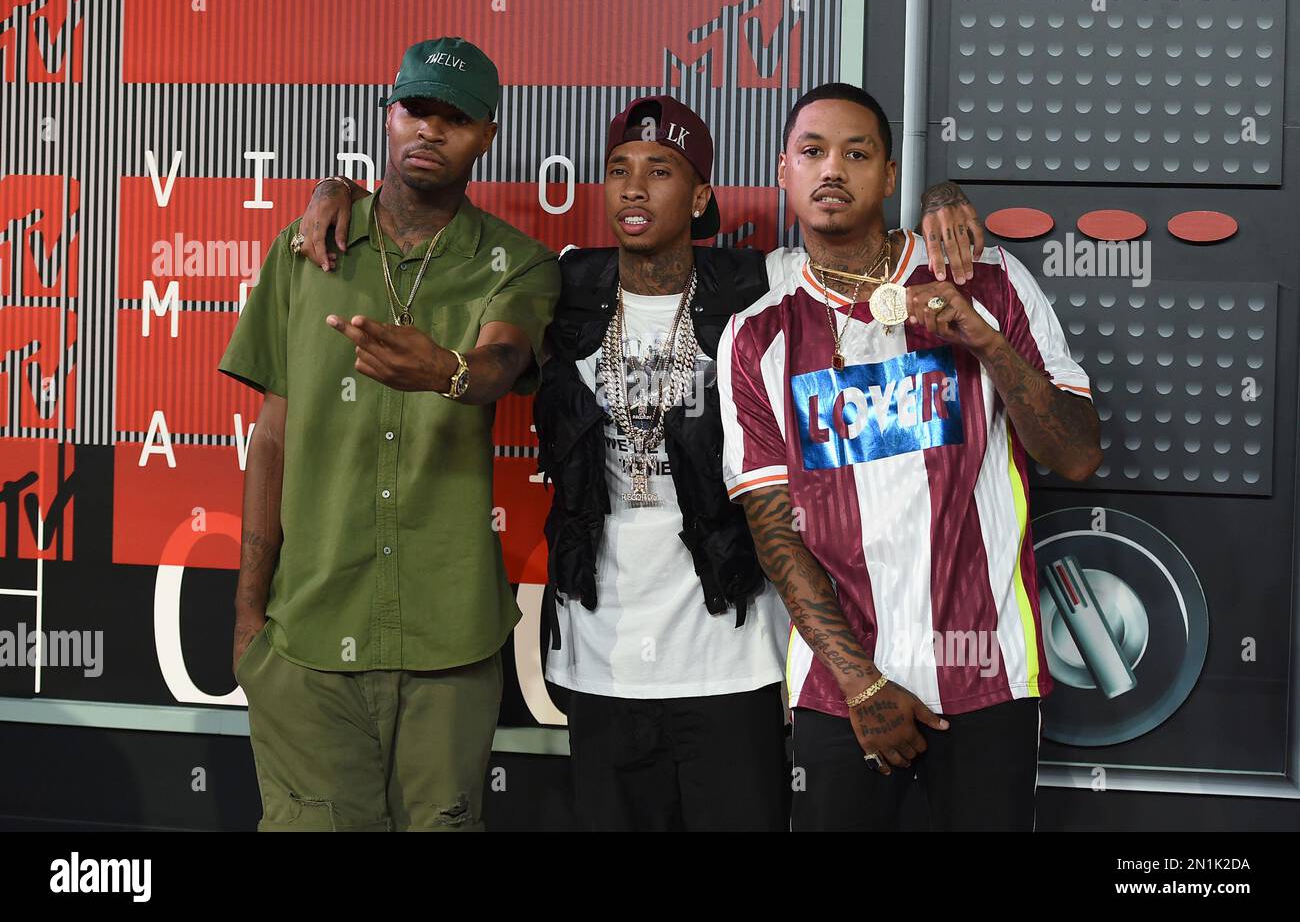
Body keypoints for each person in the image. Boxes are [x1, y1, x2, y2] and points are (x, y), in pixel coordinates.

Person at [296, 92, 985, 832]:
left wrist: (941, 198)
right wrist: (345, 193)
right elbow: (439, 238)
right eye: (619, 168)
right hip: (601, 659)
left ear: (699, 197)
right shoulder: (563, 282)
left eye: (659, 170)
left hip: (735, 658)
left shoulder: (763, 282)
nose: (632, 186)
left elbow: (858, 246)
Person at [719, 82, 1102, 831]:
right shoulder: (758, 333)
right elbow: (773, 530)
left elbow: (1078, 455)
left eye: (857, 153)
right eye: (813, 151)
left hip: (987, 676)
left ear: (889, 176)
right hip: (842, 691)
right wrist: (862, 685)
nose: (833, 169)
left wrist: (986, 342)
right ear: (784, 171)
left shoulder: (987, 279)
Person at [219, 36, 560, 831]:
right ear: (387, 114)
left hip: (449, 638)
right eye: (416, 109)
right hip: (305, 631)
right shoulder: (304, 254)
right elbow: (269, 437)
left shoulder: (518, 261)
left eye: (456, 117)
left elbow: (499, 363)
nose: (430, 131)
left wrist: (443, 371)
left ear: (487, 135)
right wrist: (246, 615)